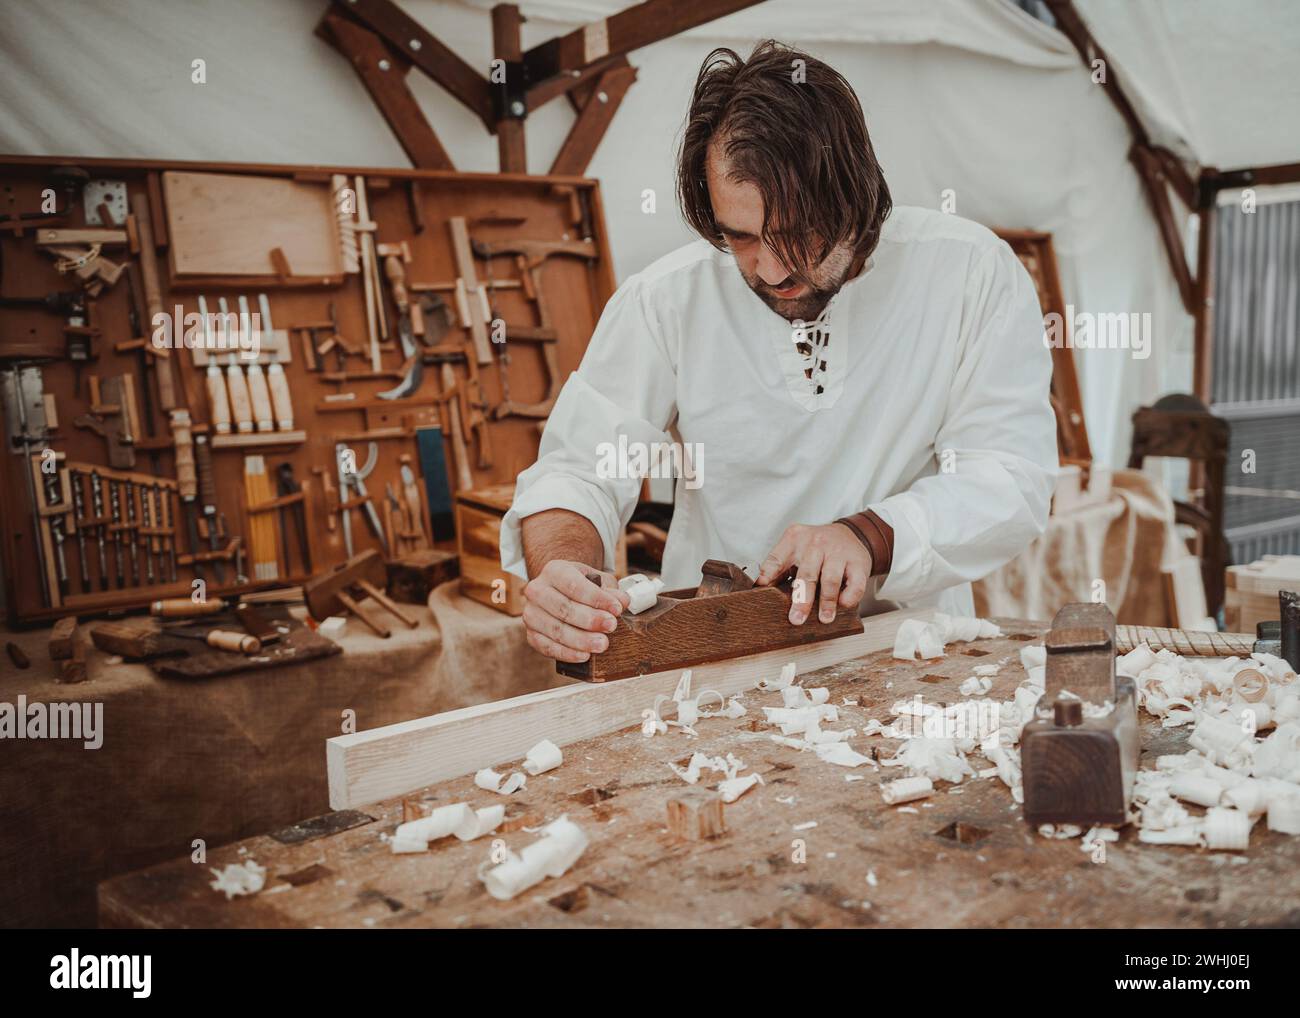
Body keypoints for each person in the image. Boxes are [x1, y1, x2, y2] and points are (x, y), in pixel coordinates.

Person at [501, 40, 1058, 666]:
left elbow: (1010, 477)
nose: (769, 268)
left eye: (797, 232)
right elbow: (578, 470)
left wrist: (868, 536)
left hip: (910, 652)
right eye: (739, 237)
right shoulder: (665, 299)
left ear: (855, 191)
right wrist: (563, 572)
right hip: (712, 661)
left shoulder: (970, 273)